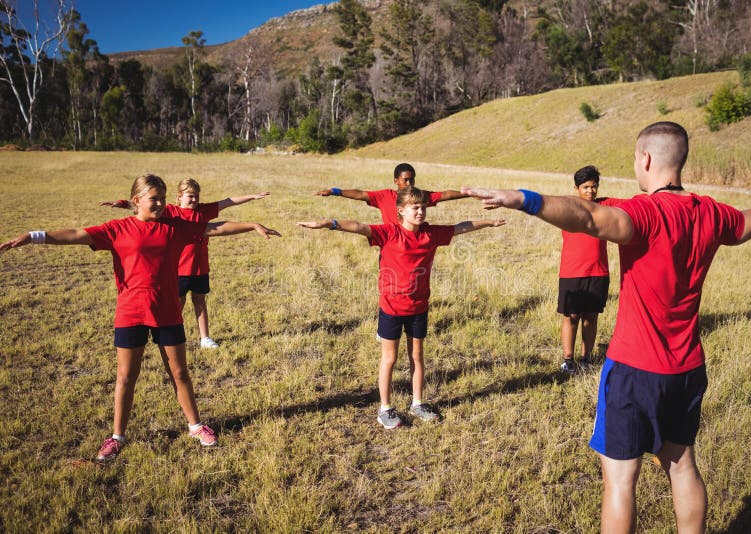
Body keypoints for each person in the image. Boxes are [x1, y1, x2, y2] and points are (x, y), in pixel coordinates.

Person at [462, 121, 751, 532]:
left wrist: (522, 199)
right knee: (681, 464)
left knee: (621, 479)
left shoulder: (647, 211)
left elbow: (587, 216)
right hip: (688, 368)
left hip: (634, 371)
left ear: (646, 158)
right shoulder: (711, 212)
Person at [1, 174, 281, 462]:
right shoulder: (117, 229)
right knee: (125, 377)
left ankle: (196, 427)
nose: (160, 204)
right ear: (136, 201)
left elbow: (213, 228)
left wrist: (251, 225)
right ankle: (116, 437)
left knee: (180, 374)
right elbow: (76, 234)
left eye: (163, 198)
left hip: (167, 312)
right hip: (131, 313)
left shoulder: (175, 227)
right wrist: (34, 236)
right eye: (154, 199)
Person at [298, 187, 505, 429]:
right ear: (401, 211)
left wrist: (489, 222)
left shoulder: (431, 234)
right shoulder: (389, 233)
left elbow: (462, 227)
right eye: (415, 208)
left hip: (419, 306)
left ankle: (417, 403)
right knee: (390, 358)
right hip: (392, 307)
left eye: (423, 207)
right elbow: (359, 226)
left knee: (417, 356)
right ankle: (385, 408)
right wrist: (328, 223)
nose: (421, 212)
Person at [102, 179, 270, 349]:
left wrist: (252, 197)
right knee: (176, 304)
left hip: (200, 268)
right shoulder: (169, 211)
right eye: (190, 196)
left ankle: (205, 338)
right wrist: (123, 203)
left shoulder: (203, 211)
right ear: (179, 197)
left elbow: (228, 201)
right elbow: (144, 206)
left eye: (197, 196)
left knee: (200, 301)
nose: (194, 200)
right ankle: (166, 335)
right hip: (178, 270)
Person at [557, 166, 623, 373]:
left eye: (594, 186)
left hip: (598, 272)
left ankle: (586, 359)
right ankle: (568, 360)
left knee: (591, 316)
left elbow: (633, 205)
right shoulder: (568, 206)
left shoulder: (605, 205)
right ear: (576, 188)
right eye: (585, 187)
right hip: (571, 272)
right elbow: (542, 204)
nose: (590, 191)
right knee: (571, 316)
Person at [314, 162, 468, 224]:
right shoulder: (385, 196)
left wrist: (470, 193)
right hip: (390, 245)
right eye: (405, 180)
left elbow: (445, 195)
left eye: (412, 180)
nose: (409, 184)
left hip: (413, 245)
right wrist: (334, 191)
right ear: (396, 180)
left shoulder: (420, 195)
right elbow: (360, 194)